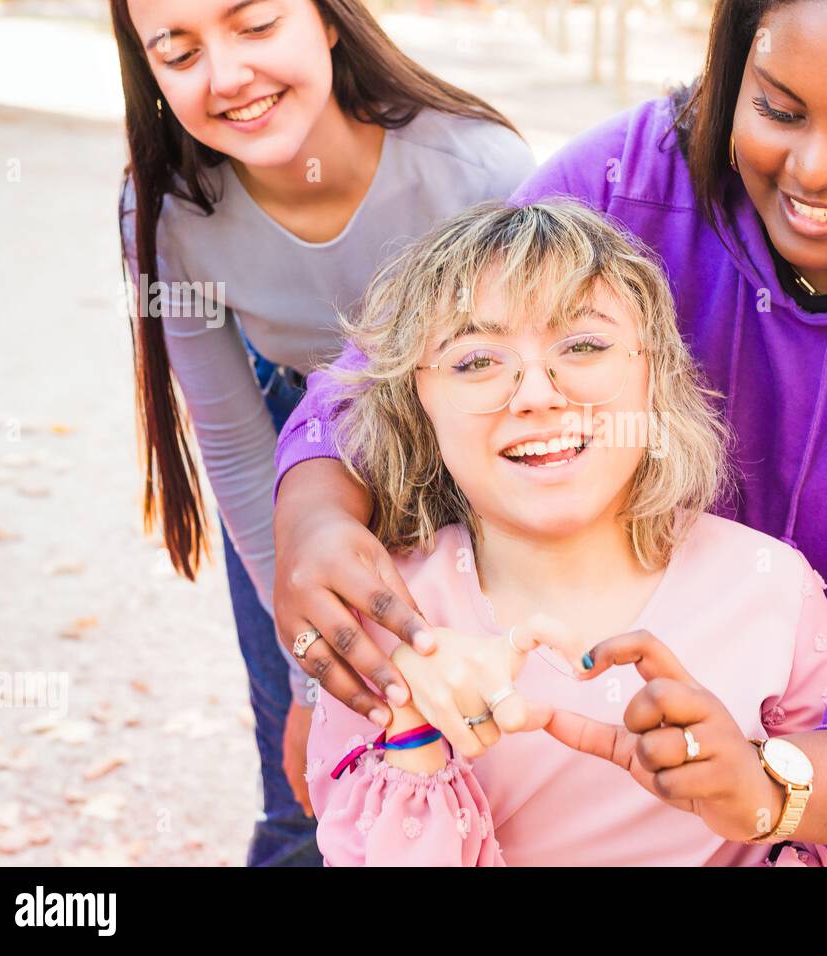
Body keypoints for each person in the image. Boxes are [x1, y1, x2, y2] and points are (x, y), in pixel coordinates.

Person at [272, 0, 827, 864]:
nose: (813, 169)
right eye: (778, 108)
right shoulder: (634, 179)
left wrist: (780, 790)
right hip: (700, 627)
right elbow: (424, 346)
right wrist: (316, 527)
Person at [303, 199, 827, 866]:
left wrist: (755, 789)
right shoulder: (384, 621)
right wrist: (412, 721)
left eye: (583, 345)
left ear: (655, 375)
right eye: (476, 361)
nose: (535, 394)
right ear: (418, 401)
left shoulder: (772, 587)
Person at [112, 0, 535, 865]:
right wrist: (311, 672)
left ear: (331, 21)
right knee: (312, 780)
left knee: (479, 754)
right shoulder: (165, 211)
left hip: (462, 457)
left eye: (256, 25)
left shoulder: (473, 171)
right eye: (178, 49)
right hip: (281, 472)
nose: (226, 76)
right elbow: (231, 442)